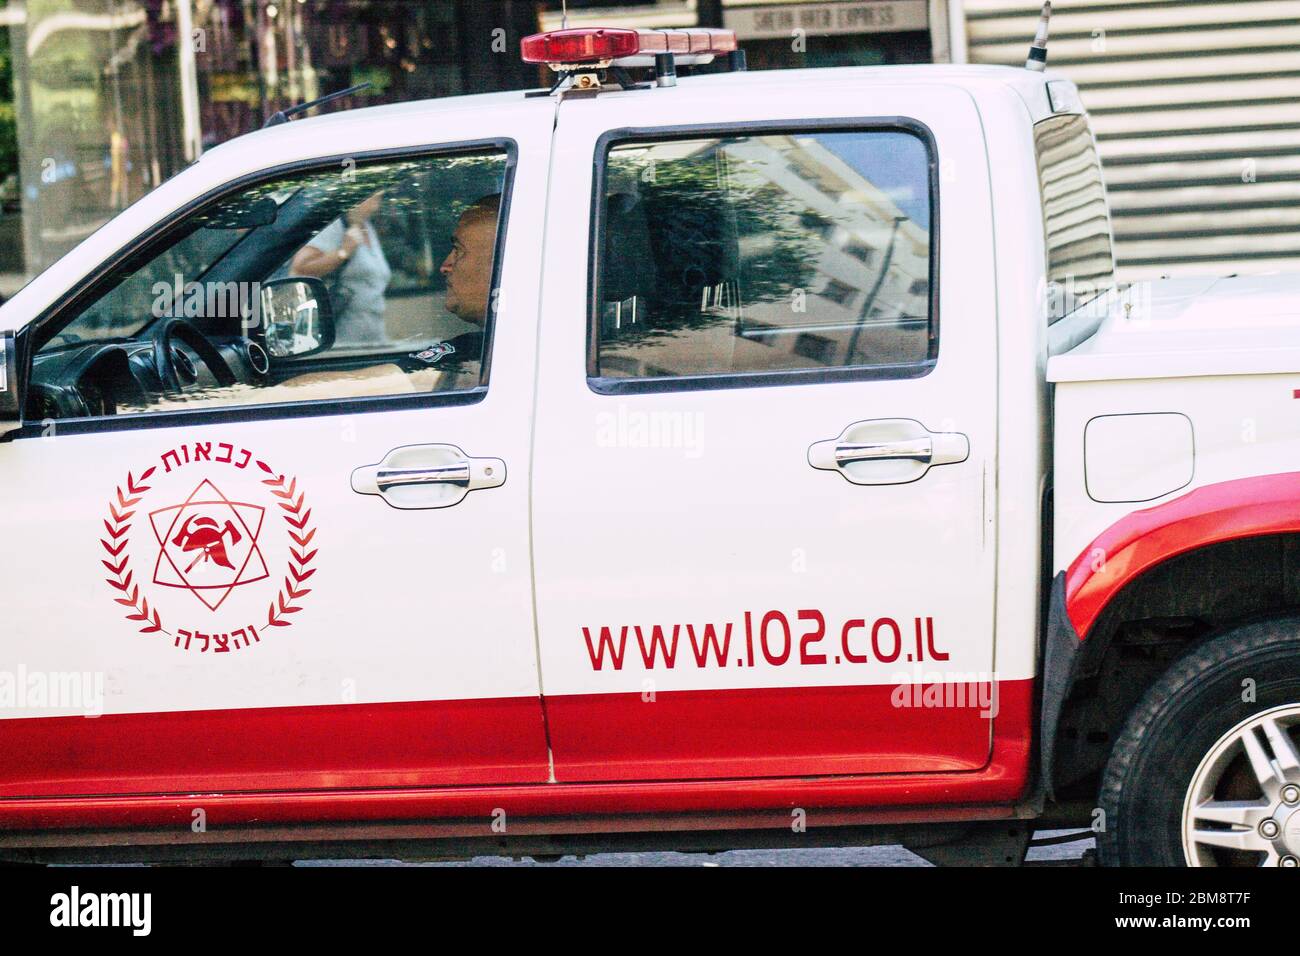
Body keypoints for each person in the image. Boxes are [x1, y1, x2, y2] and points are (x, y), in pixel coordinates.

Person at [398, 192, 500, 373]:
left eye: (458, 251)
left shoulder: (481, 357)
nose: (445, 267)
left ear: (501, 264)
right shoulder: (478, 348)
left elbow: (390, 382)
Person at [290, 191, 391, 346]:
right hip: (343, 336)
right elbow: (300, 268)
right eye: (374, 198)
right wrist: (343, 253)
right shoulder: (334, 226)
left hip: (374, 333)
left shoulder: (367, 227)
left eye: (380, 199)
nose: (376, 206)